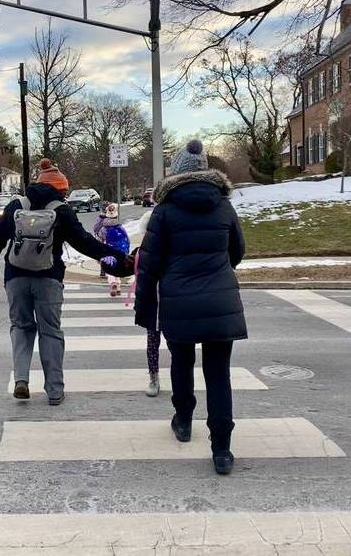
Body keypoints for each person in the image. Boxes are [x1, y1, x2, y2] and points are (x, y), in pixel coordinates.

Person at [134, 139, 248, 475]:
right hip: (220, 301)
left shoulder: (165, 210)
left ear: (175, 174)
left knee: (181, 363)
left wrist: (144, 304)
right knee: (219, 374)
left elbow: (149, 264)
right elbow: (237, 251)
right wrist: (218, 273)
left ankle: (183, 420)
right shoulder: (224, 207)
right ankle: (222, 449)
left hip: (178, 300)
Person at [0, 158, 131, 406]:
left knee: (21, 327)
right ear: (61, 190)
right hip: (49, 278)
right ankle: (54, 390)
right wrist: (118, 258)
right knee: (50, 331)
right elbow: (85, 243)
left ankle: (21, 379)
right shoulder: (62, 210)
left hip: (16, 276)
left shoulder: (15, 205)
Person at [127, 209, 161, 398]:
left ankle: (171, 378)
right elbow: (126, 266)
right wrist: (107, 261)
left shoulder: (173, 249)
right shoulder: (141, 251)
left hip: (170, 302)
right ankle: (154, 377)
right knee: (153, 344)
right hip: (152, 303)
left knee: (176, 345)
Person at [98, 203, 130, 297]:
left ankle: (113, 283)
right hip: (121, 251)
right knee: (118, 268)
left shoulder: (104, 229)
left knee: (110, 268)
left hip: (109, 250)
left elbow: (100, 239)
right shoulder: (121, 228)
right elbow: (127, 239)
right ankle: (118, 286)